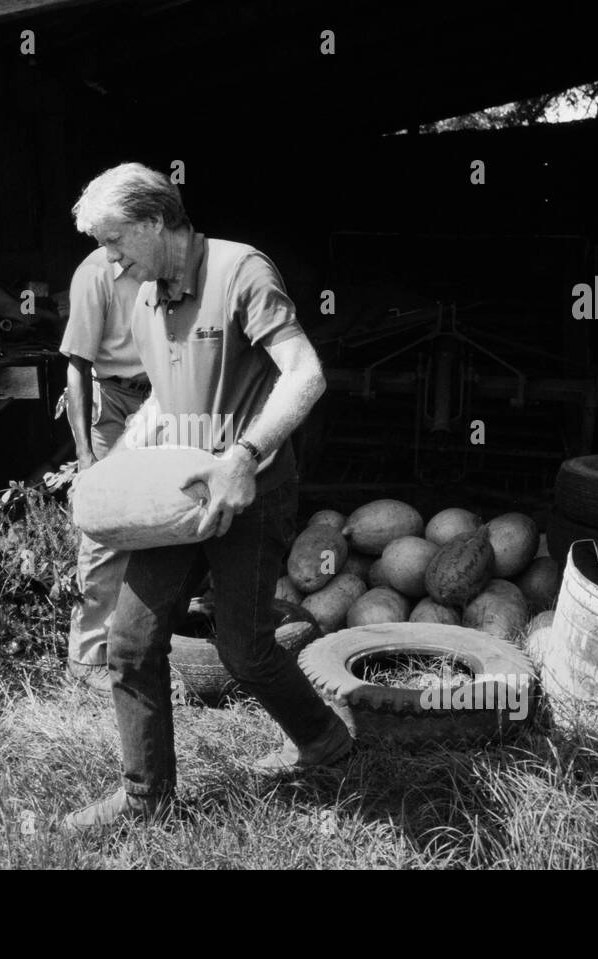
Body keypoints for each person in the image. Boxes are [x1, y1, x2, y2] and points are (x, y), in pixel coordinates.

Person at [60, 163, 353, 832]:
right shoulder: (144, 297)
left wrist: (243, 456)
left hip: (254, 492)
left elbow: (306, 375)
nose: (109, 260)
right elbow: (168, 397)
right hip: (184, 497)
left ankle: (326, 744)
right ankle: (145, 800)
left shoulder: (242, 271)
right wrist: (117, 462)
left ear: (157, 223)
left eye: (114, 241)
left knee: (245, 651)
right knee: (130, 640)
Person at [59, 248, 150, 695]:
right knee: (106, 523)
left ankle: (152, 635)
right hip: (112, 396)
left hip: (165, 396)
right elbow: (76, 366)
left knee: (169, 509)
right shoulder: (95, 272)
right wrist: (85, 458)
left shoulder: (169, 263)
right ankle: (89, 653)